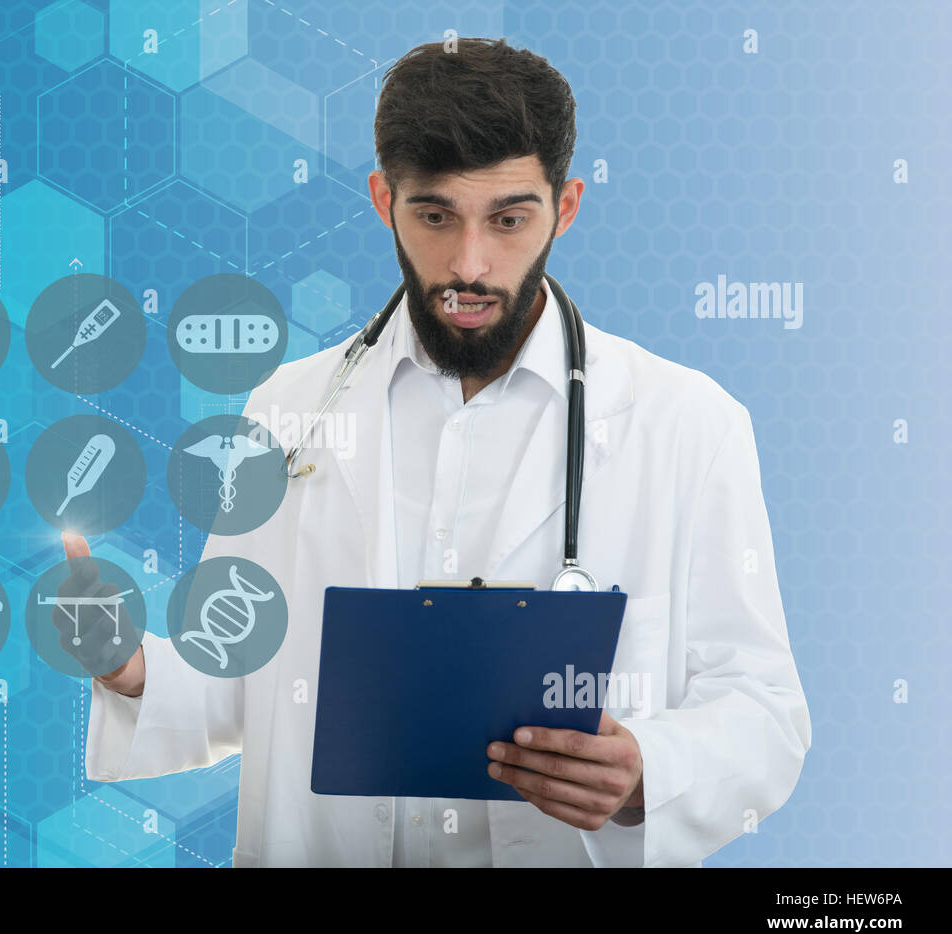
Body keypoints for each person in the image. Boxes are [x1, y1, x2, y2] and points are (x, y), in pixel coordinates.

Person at [61, 37, 810, 867]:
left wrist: (648, 772)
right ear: (385, 199)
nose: (468, 264)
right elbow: (244, 674)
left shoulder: (687, 424)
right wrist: (133, 670)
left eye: (509, 218)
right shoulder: (291, 409)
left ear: (566, 208)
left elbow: (765, 709)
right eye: (434, 215)